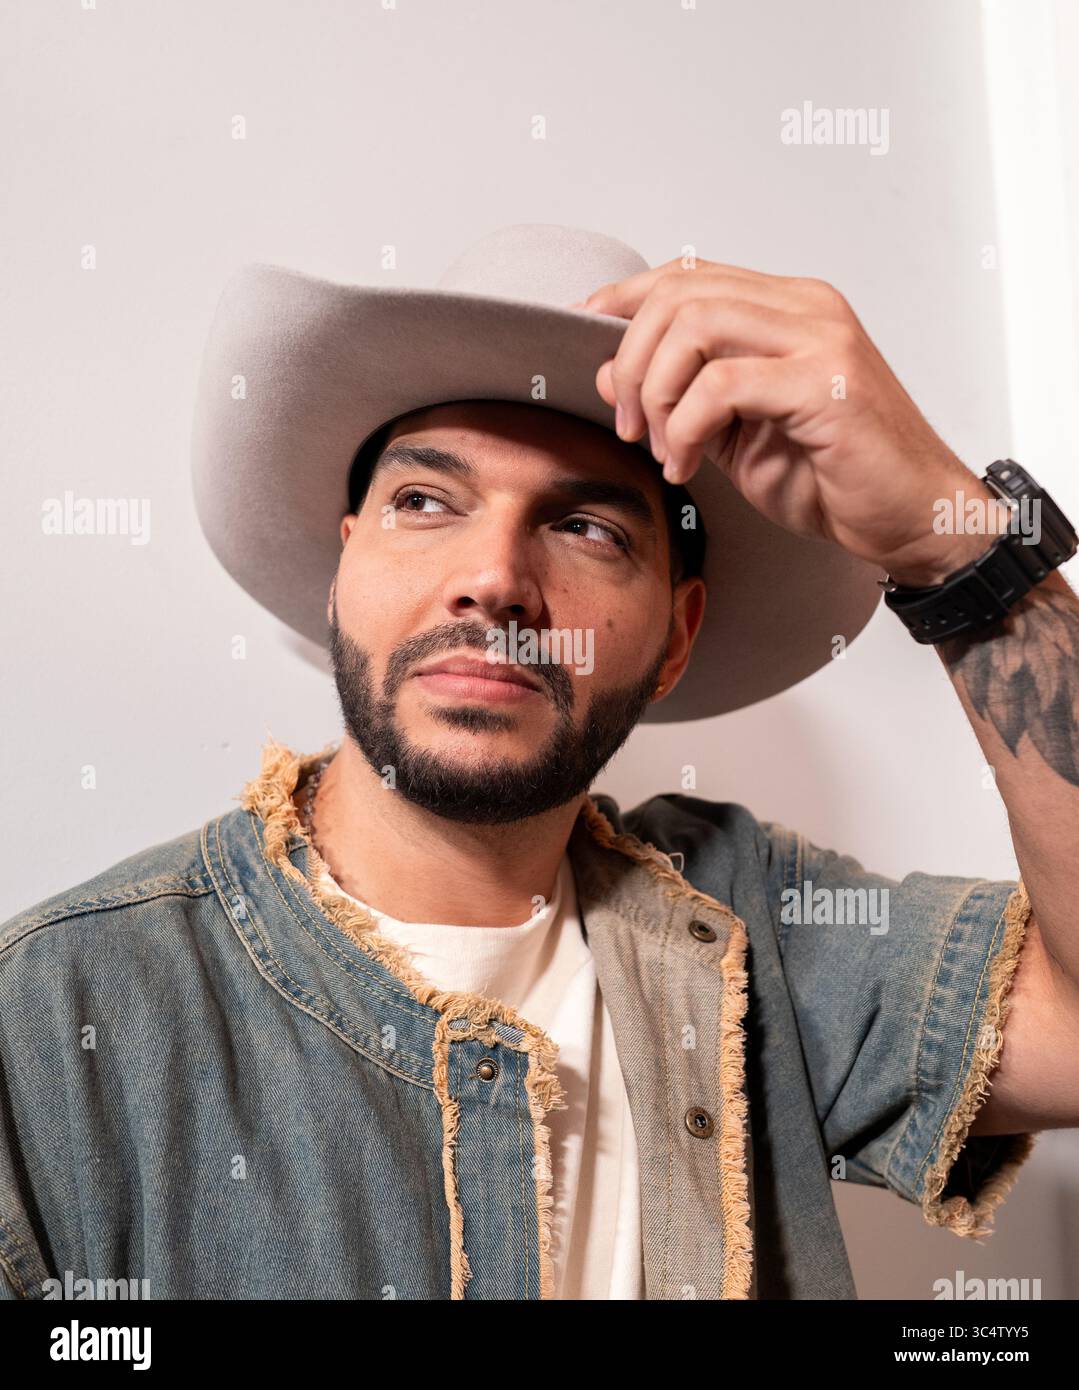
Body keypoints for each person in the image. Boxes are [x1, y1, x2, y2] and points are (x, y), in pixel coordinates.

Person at [2, 224, 1077, 1301]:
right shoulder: (56, 1017)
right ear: (341, 574)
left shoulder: (759, 935)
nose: (492, 578)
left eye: (586, 527)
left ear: (673, 639)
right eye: (425, 501)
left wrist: (957, 543)